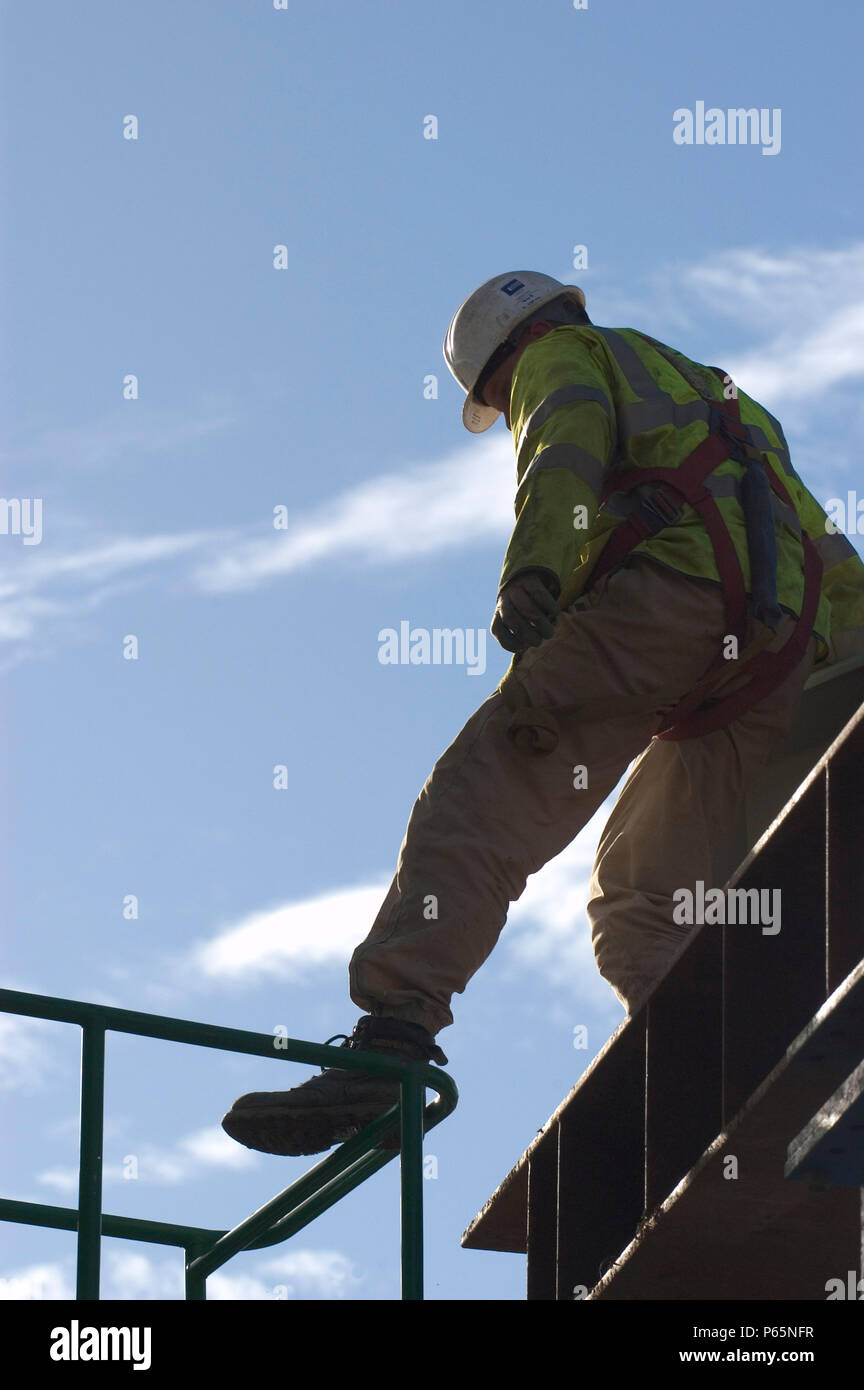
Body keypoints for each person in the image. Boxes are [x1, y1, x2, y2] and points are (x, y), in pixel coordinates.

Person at [222, 271, 864, 1157]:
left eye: (495, 396)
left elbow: (561, 454)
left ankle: (393, 1042)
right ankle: (731, 1077)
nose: (504, 409)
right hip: (773, 655)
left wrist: (537, 574)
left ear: (503, 361)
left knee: (481, 798)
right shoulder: (717, 392)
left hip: (667, 608)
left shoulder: (560, 358)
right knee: (642, 896)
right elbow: (823, 542)